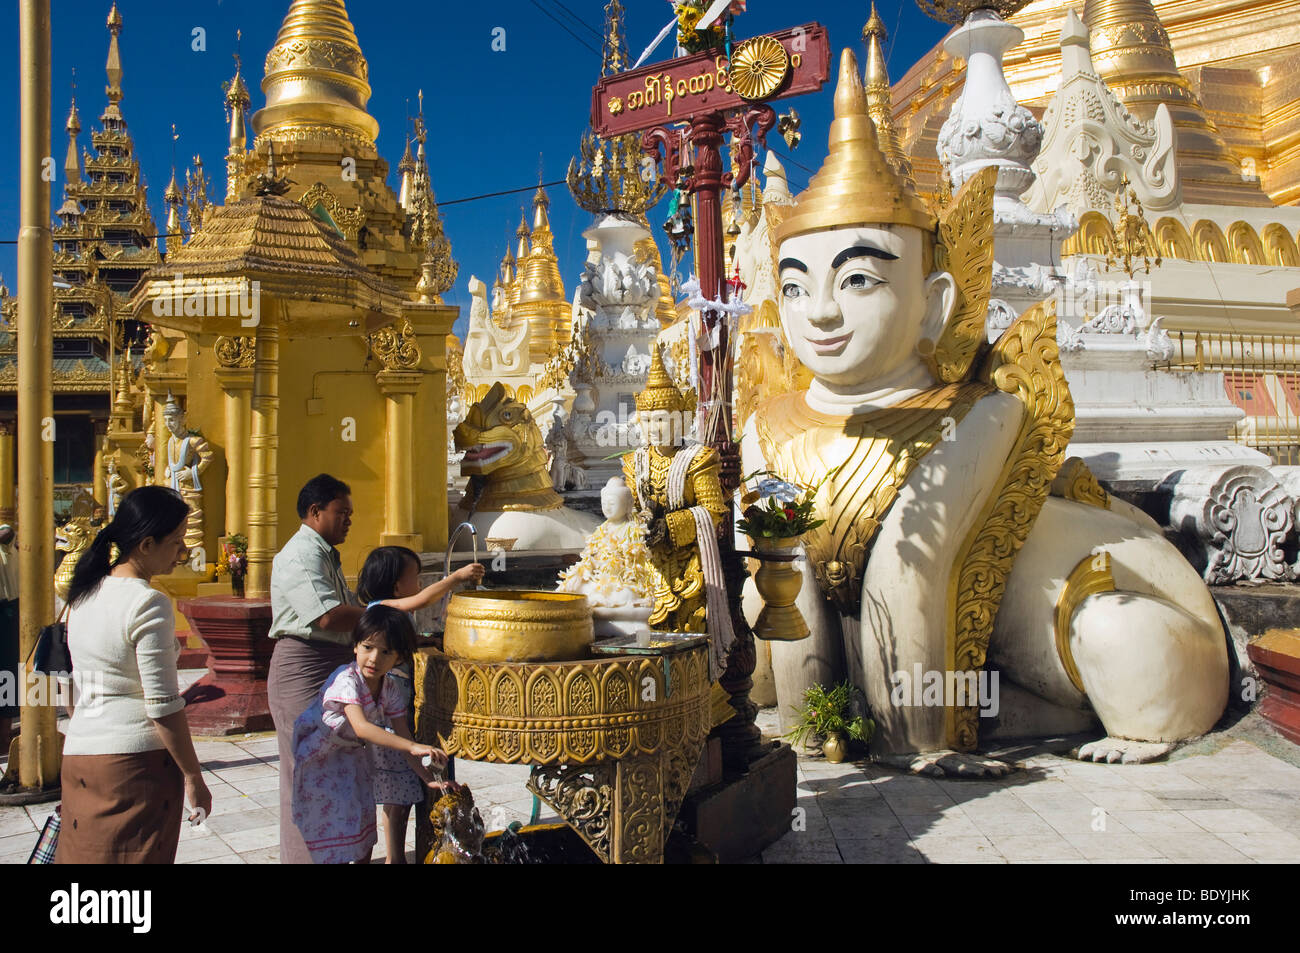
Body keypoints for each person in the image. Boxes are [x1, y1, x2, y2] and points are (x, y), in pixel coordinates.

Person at [55, 486, 212, 863]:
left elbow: (68, 686)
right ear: (145, 545)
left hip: (80, 753)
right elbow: (162, 705)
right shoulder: (147, 603)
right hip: (131, 764)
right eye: (176, 543)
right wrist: (193, 776)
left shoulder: (82, 596)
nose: (182, 553)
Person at [355, 546, 484, 863]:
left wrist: (427, 642)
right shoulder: (383, 608)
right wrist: (455, 578)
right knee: (395, 796)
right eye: (414, 577)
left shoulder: (392, 619)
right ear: (397, 585)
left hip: (399, 718)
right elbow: (419, 601)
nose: (418, 584)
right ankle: (393, 858)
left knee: (401, 795)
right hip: (387, 726)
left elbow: (406, 637)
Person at [291, 606, 447, 864]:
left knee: (362, 830)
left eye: (385, 652)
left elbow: (403, 740)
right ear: (355, 646)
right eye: (368, 647)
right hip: (320, 764)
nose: (374, 658)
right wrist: (413, 746)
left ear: (399, 658)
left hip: (351, 759)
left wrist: (429, 778)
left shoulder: (390, 688)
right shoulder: (346, 680)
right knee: (335, 830)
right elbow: (363, 727)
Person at [267, 473, 364, 864]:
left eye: (350, 514)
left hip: (329, 666)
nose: (348, 520)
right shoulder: (301, 554)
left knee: (332, 769)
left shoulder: (324, 553)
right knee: (306, 772)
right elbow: (327, 617)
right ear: (314, 511)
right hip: (304, 667)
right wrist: (384, 616)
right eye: (341, 512)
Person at [0, 524, 18, 753]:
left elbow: (6, 532)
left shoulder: (4, 533)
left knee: (6, 673)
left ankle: (4, 735)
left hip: (6, 610)